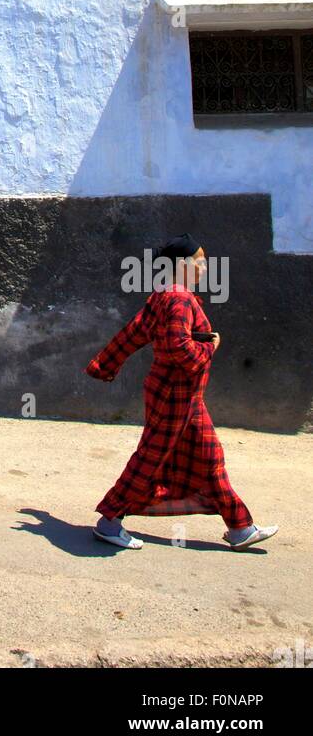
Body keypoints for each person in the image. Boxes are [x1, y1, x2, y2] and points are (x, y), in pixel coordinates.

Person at [84, 234, 278, 551]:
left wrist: (104, 364)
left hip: (184, 396)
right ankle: (109, 521)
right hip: (174, 396)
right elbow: (179, 351)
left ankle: (241, 527)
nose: (204, 267)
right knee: (149, 460)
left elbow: (133, 332)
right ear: (183, 266)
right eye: (200, 261)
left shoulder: (163, 295)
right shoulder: (178, 299)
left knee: (210, 458)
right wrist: (209, 347)